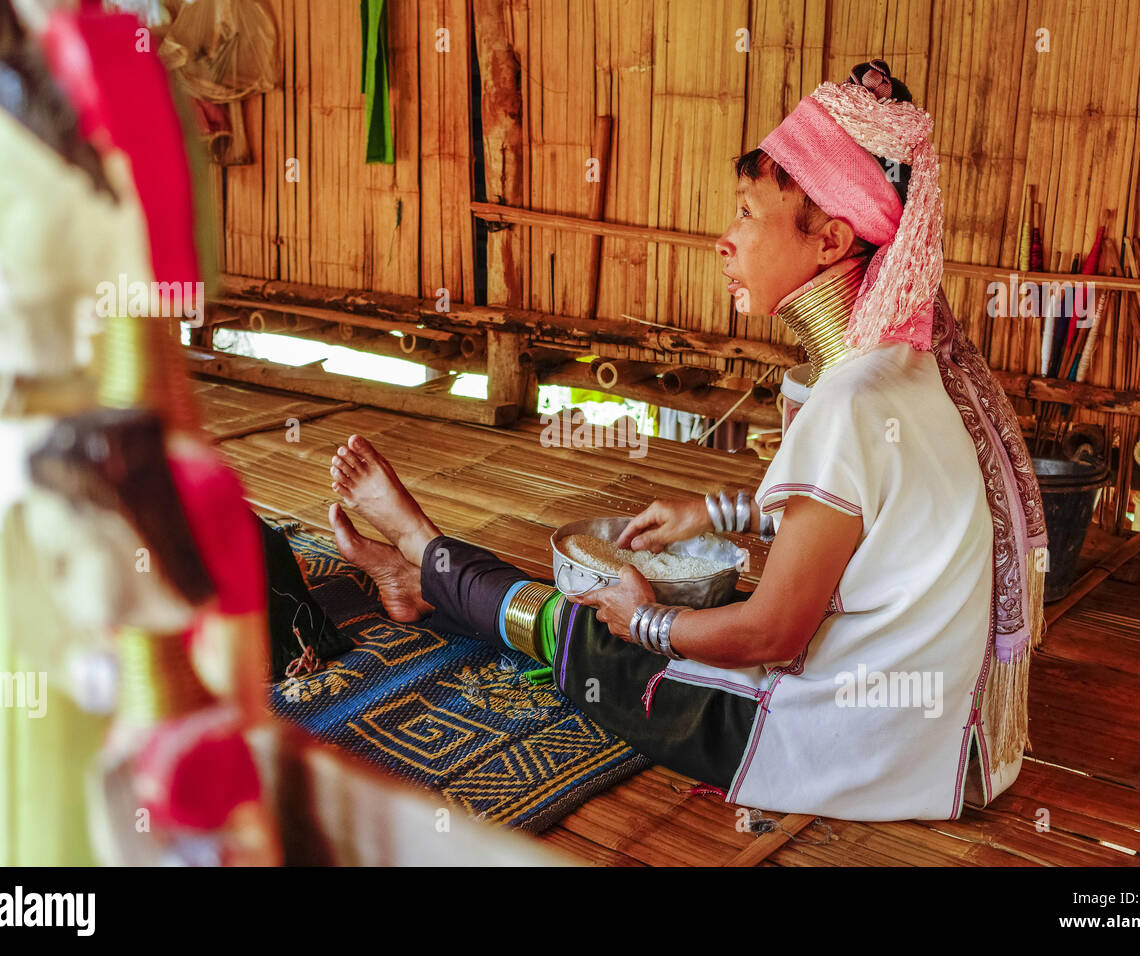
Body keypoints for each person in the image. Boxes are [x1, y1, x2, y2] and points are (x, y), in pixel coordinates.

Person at [325, 60, 1046, 821]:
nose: (722, 239)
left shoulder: (853, 405)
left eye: (746, 212)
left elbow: (769, 633)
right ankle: (426, 573)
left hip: (835, 741)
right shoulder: (907, 369)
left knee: (588, 633)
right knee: (654, 608)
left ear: (832, 240)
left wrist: (647, 623)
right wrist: (713, 514)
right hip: (923, 734)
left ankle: (419, 550)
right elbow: (866, 527)